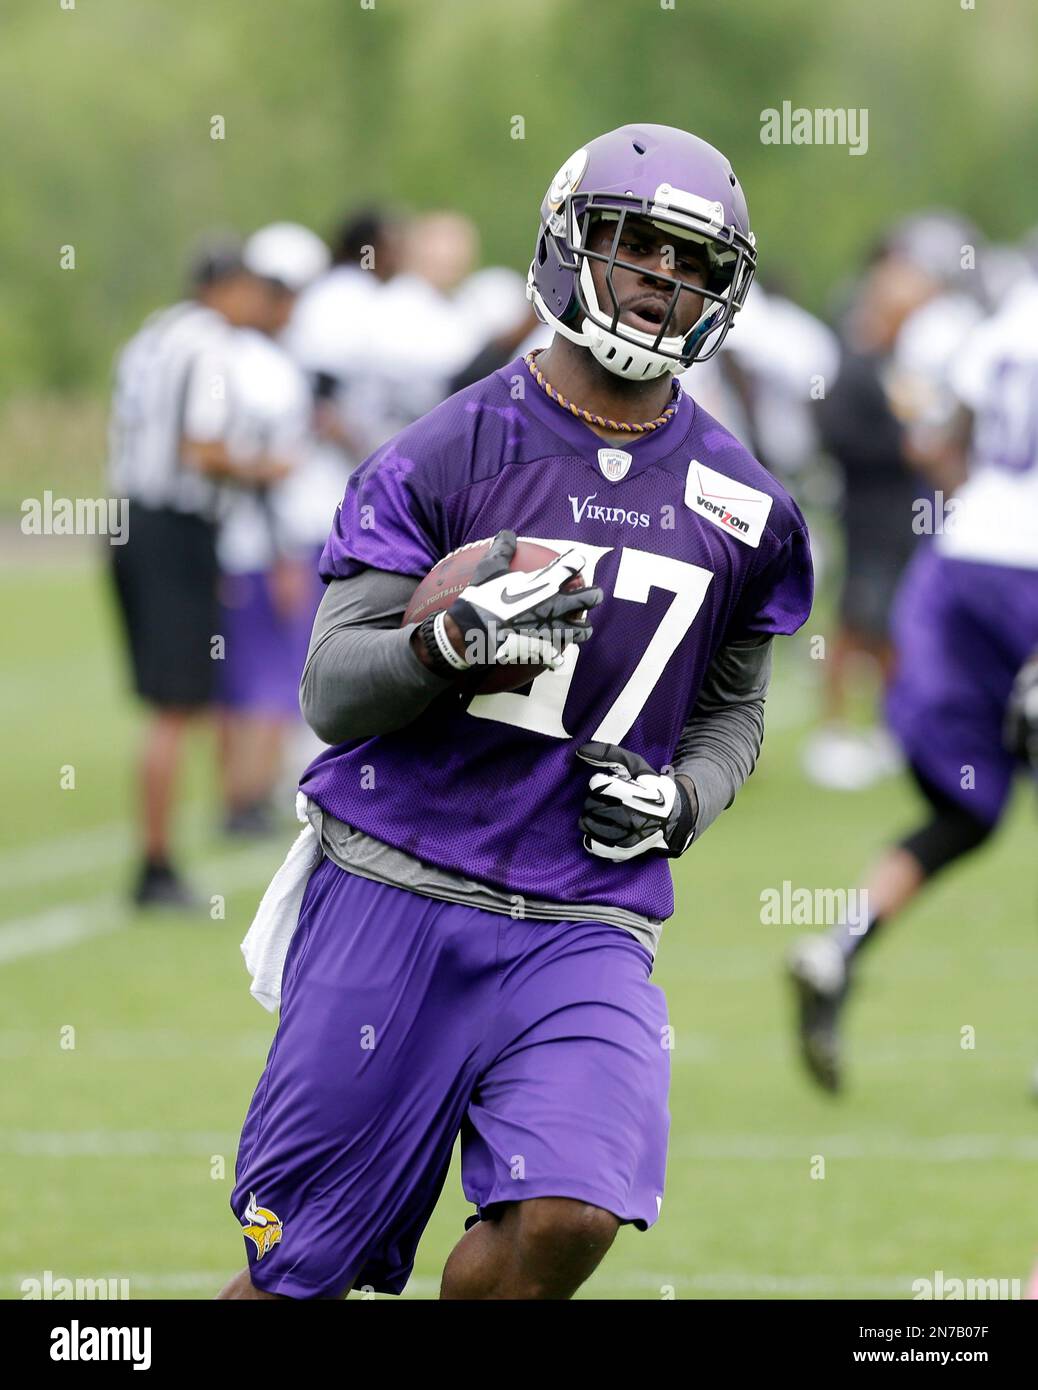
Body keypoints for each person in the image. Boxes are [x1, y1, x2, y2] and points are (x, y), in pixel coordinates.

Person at [219, 123, 813, 1301]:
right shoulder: (453, 446)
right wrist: (450, 642)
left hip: (584, 918)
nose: (662, 280)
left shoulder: (749, 504)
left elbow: (734, 710)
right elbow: (334, 690)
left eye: (692, 263)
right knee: (296, 1278)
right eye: (635, 246)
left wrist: (686, 795)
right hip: (398, 882)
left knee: (571, 1213)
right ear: (568, 245)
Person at [788, 251, 1038, 1092]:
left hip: (962, 565)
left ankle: (840, 944)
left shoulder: (1002, 323)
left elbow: (941, 447)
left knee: (963, 812)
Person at [108, 236, 274, 907]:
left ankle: (158, 856)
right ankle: (155, 865)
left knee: (173, 701)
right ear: (224, 286)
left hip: (134, 519)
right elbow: (202, 449)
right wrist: (269, 466)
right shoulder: (207, 342)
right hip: (175, 525)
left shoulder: (153, 335)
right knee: (176, 706)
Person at [213, 224, 329, 835]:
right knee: (269, 677)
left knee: (235, 678)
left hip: (221, 541)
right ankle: (244, 803)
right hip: (261, 544)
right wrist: (286, 553)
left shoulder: (223, 352)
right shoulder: (266, 367)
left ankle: (237, 797)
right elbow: (271, 473)